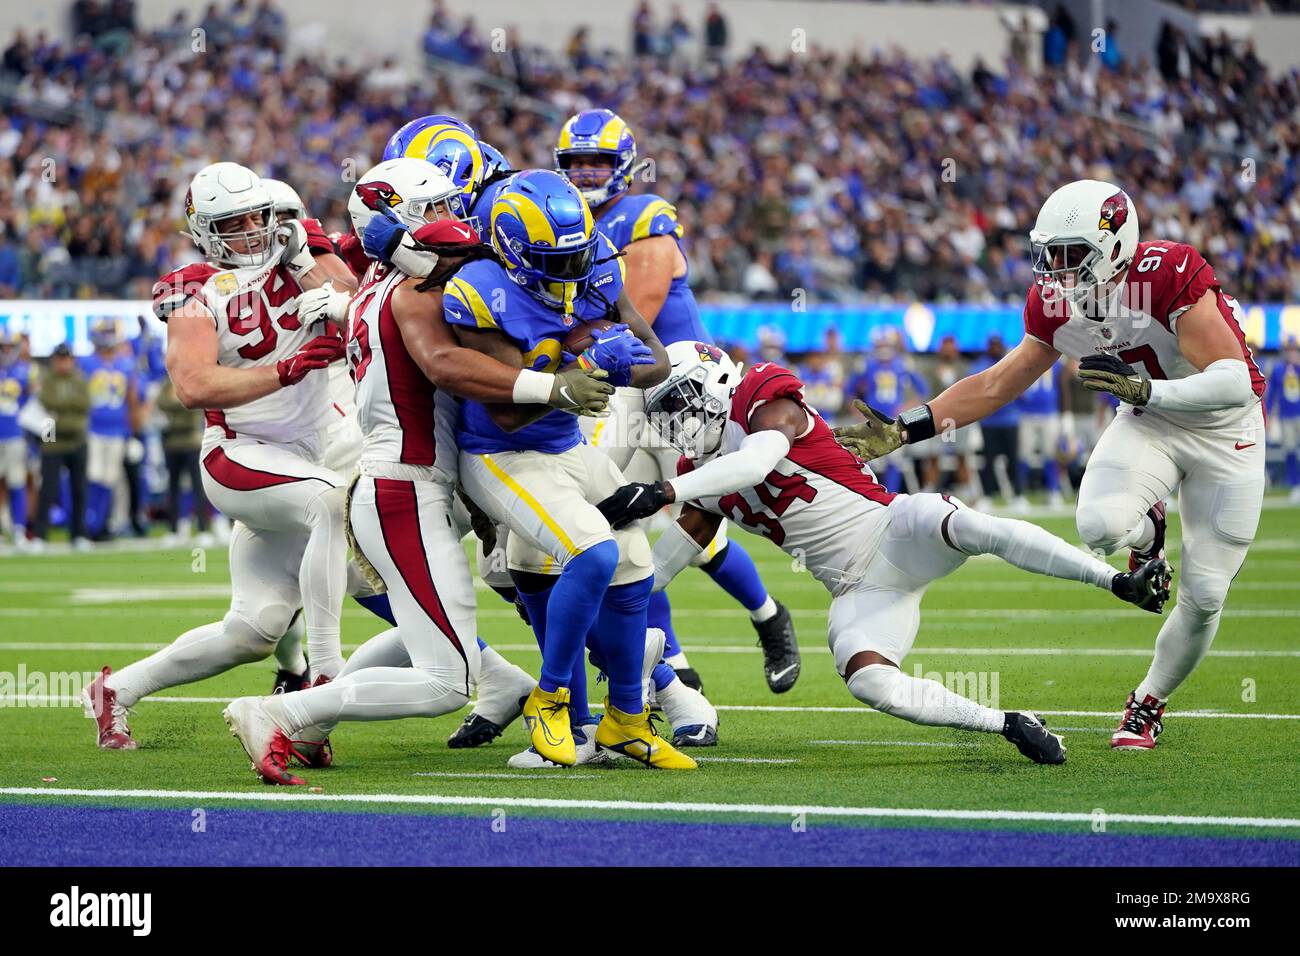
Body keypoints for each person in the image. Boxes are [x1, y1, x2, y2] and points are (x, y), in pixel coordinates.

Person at [833, 180, 1266, 751]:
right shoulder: (1056, 305)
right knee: (1101, 528)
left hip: (1225, 429)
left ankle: (1148, 700)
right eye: (1049, 256)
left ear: (1114, 244)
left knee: (1206, 594)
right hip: (1151, 422)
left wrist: (1147, 392)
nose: (1056, 272)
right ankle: (1149, 527)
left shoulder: (1166, 272)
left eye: (1069, 256)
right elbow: (997, 382)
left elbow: (1233, 381)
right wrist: (906, 428)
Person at [223, 160, 615, 784]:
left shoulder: (385, 282)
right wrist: (551, 386)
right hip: (405, 485)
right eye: (431, 210)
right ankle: (278, 712)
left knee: (422, 634)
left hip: (410, 484)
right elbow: (444, 367)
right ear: (398, 221)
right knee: (446, 682)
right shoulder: (411, 290)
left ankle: (308, 721)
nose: (450, 220)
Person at [597, 342, 1171, 764]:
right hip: (857, 590)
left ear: (714, 381)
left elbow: (756, 460)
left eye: (677, 402)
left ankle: (1116, 581)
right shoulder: (698, 473)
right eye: (661, 413)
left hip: (893, 529)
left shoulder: (760, 397)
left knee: (965, 524)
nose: (673, 422)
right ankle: (1007, 723)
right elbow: (679, 547)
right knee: (868, 680)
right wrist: (621, 598)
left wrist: (665, 492)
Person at [82, 161, 355, 750]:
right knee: (330, 502)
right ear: (204, 229)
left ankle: (116, 690)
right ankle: (323, 676)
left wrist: (306, 259)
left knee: (252, 632)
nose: (254, 230)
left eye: (259, 215)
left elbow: (357, 309)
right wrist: (282, 370)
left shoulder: (300, 252)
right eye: (236, 221)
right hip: (238, 456)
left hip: (298, 460)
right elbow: (194, 386)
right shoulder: (189, 287)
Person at [447, 169, 693, 769]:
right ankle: (550, 700)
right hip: (501, 454)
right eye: (552, 260)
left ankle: (625, 720)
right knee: (594, 552)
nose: (571, 272)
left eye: (577, 255)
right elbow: (505, 413)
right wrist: (575, 357)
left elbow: (656, 362)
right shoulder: (479, 291)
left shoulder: (600, 264)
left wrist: (608, 355)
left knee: (635, 559)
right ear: (510, 252)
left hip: (568, 446)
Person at [555, 108, 799, 697]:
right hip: (624, 393)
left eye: (599, 162)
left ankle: (769, 617)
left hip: (684, 390)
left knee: (705, 511)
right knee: (625, 517)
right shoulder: (558, 223)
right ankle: (674, 665)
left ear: (625, 167)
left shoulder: (646, 219)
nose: (587, 174)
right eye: (577, 163)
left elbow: (627, 316)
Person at [33, 343, 90, 549]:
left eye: (66, 359)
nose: (63, 364)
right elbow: (46, 401)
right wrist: (68, 405)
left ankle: (79, 534)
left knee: (79, 488)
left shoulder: (79, 378)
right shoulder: (47, 379)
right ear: (54, 360)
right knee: (48, 488)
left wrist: (61, 406)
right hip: (51, 440)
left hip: (76, 438)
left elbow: (84, 403)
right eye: (59, 359)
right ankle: (40, 535)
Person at [0, 327, 35, 545]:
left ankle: (20, 529)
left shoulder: (27, 371)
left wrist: (46, 440)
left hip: (16, 437)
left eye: (9, 346)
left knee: (17, 483)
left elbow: (39, 408)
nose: (5, 351)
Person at [1267, 338, 1300, 503]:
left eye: (1293, 349)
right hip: (1286, 416)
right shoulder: (1278, 369)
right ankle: (1295, 485)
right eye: (1289, 349)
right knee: (1290, 450)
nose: (1291, 352)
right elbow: (1272, 393)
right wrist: (1269, 416)